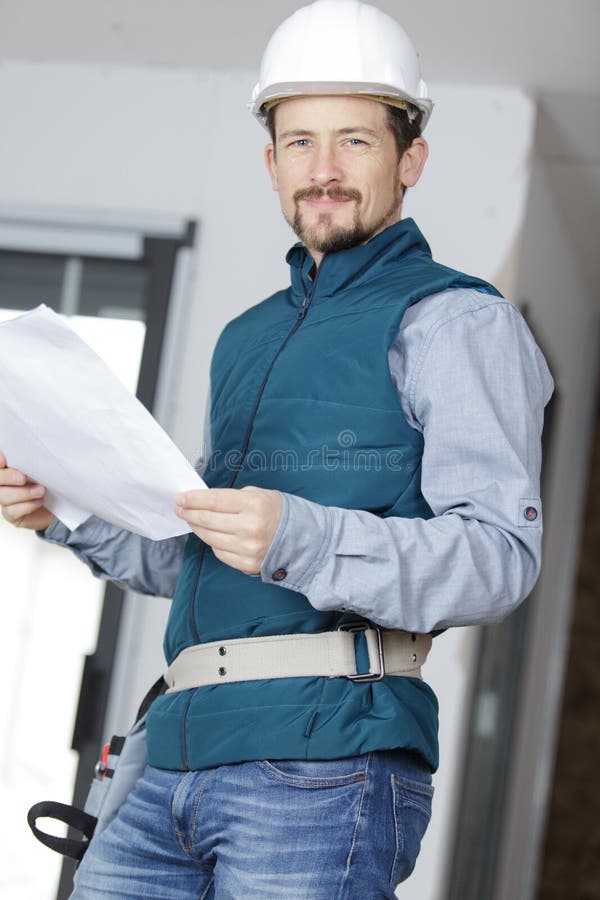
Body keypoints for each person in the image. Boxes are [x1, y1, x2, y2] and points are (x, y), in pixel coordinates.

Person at [0, 1, 553, 896]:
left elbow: (499, 557)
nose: (323, 171)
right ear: (270, 162)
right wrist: (60, 508)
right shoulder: (245, 338)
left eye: (354, 142)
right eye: (298, 143)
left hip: (326, 763)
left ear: (411, 159)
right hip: (171, 752)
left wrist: (300, 535)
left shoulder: (456, 323)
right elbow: (195, 559)